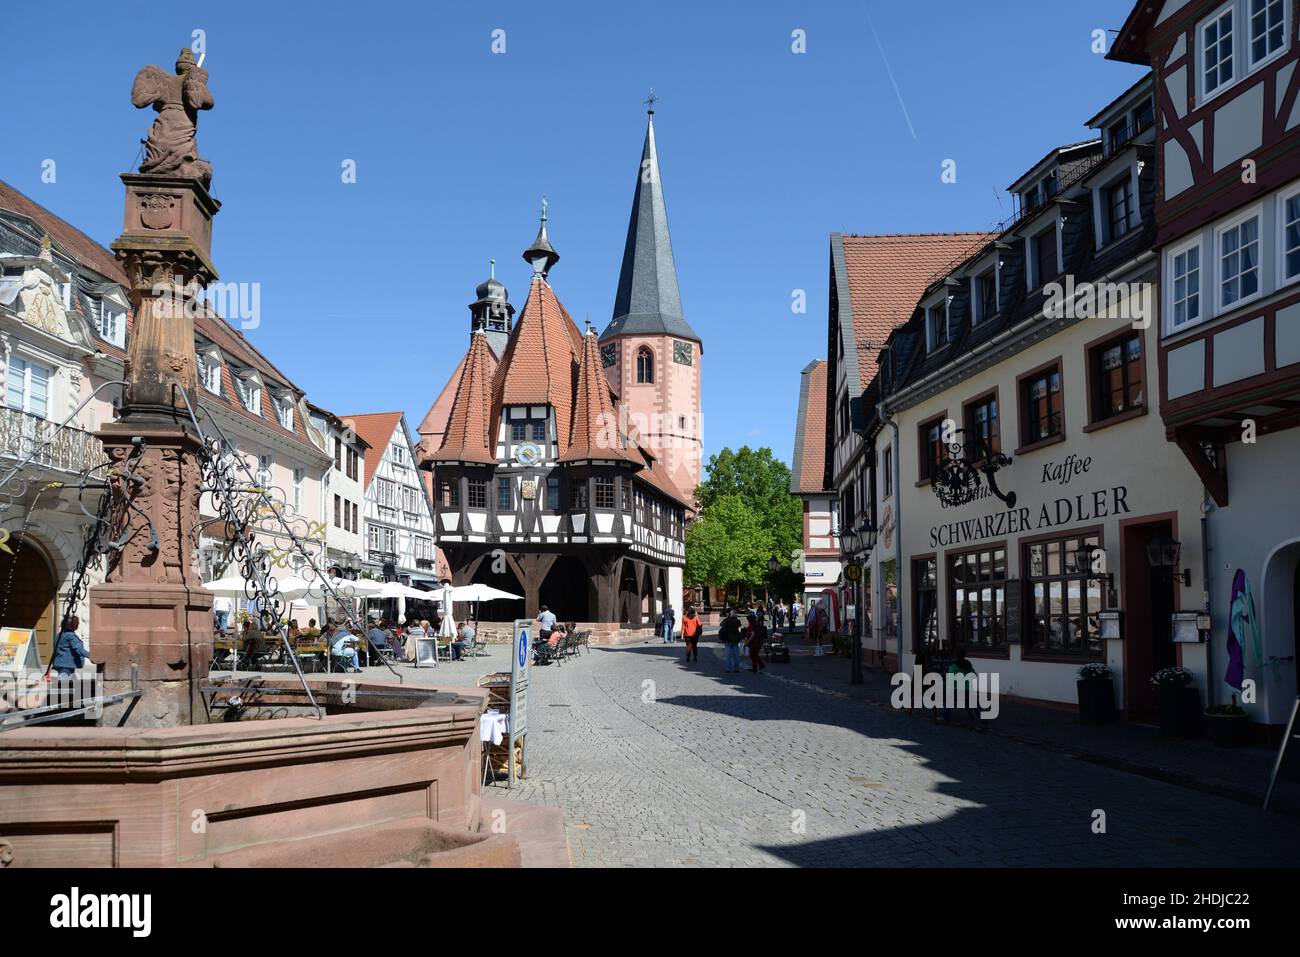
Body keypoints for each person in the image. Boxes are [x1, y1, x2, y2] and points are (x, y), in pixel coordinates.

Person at [944, 645, 981, 729]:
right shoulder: (968, 663)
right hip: (968, 688)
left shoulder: (953, 666)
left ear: (955, 655)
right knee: (975, 704)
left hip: (957, 689)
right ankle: (983, 719)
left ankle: (946, 719)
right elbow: (974, 675)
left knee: (948, 701)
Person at [718, 608, 743, 674]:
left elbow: (721, 625)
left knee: (728, 656)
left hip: (728, 639)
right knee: (736, 656)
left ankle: (728, 669)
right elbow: (739, 630)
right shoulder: (737, 621)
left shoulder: (726, 620)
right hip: (735, 640)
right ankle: (736, 668)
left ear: (730, 614)